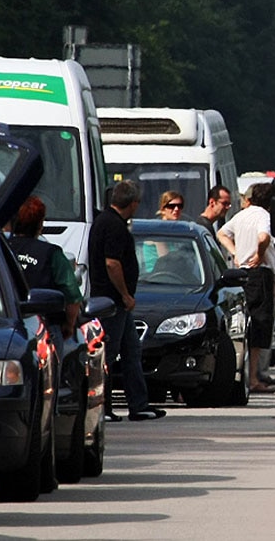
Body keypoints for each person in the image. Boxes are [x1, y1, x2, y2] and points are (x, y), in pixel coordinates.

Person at [88, 179, 166, 422]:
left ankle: (139, 404)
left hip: (117, 303)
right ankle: (103, 406)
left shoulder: (105, 221)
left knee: (132, 351)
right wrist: (124, 294)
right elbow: (112, 263)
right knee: (107, 355)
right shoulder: (113, 226)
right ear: (133, 204)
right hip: (111, 301)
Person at [218, 182, 275, 394]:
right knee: (259, 326)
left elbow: (221, 233)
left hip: (241, 274)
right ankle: (254, 377)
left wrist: (235, 252)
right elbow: (264, 237)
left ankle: (241, 374)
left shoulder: (241, 215)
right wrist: (259, 252)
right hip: (260, 272)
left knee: (242, 325)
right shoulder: (263, 215)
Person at [8, 195, 83, 339]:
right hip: (46, 330)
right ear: (39, 223)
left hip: (4, 325)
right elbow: (72, 296)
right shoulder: (52, 254)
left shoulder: (0, 247)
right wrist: (69, 325)